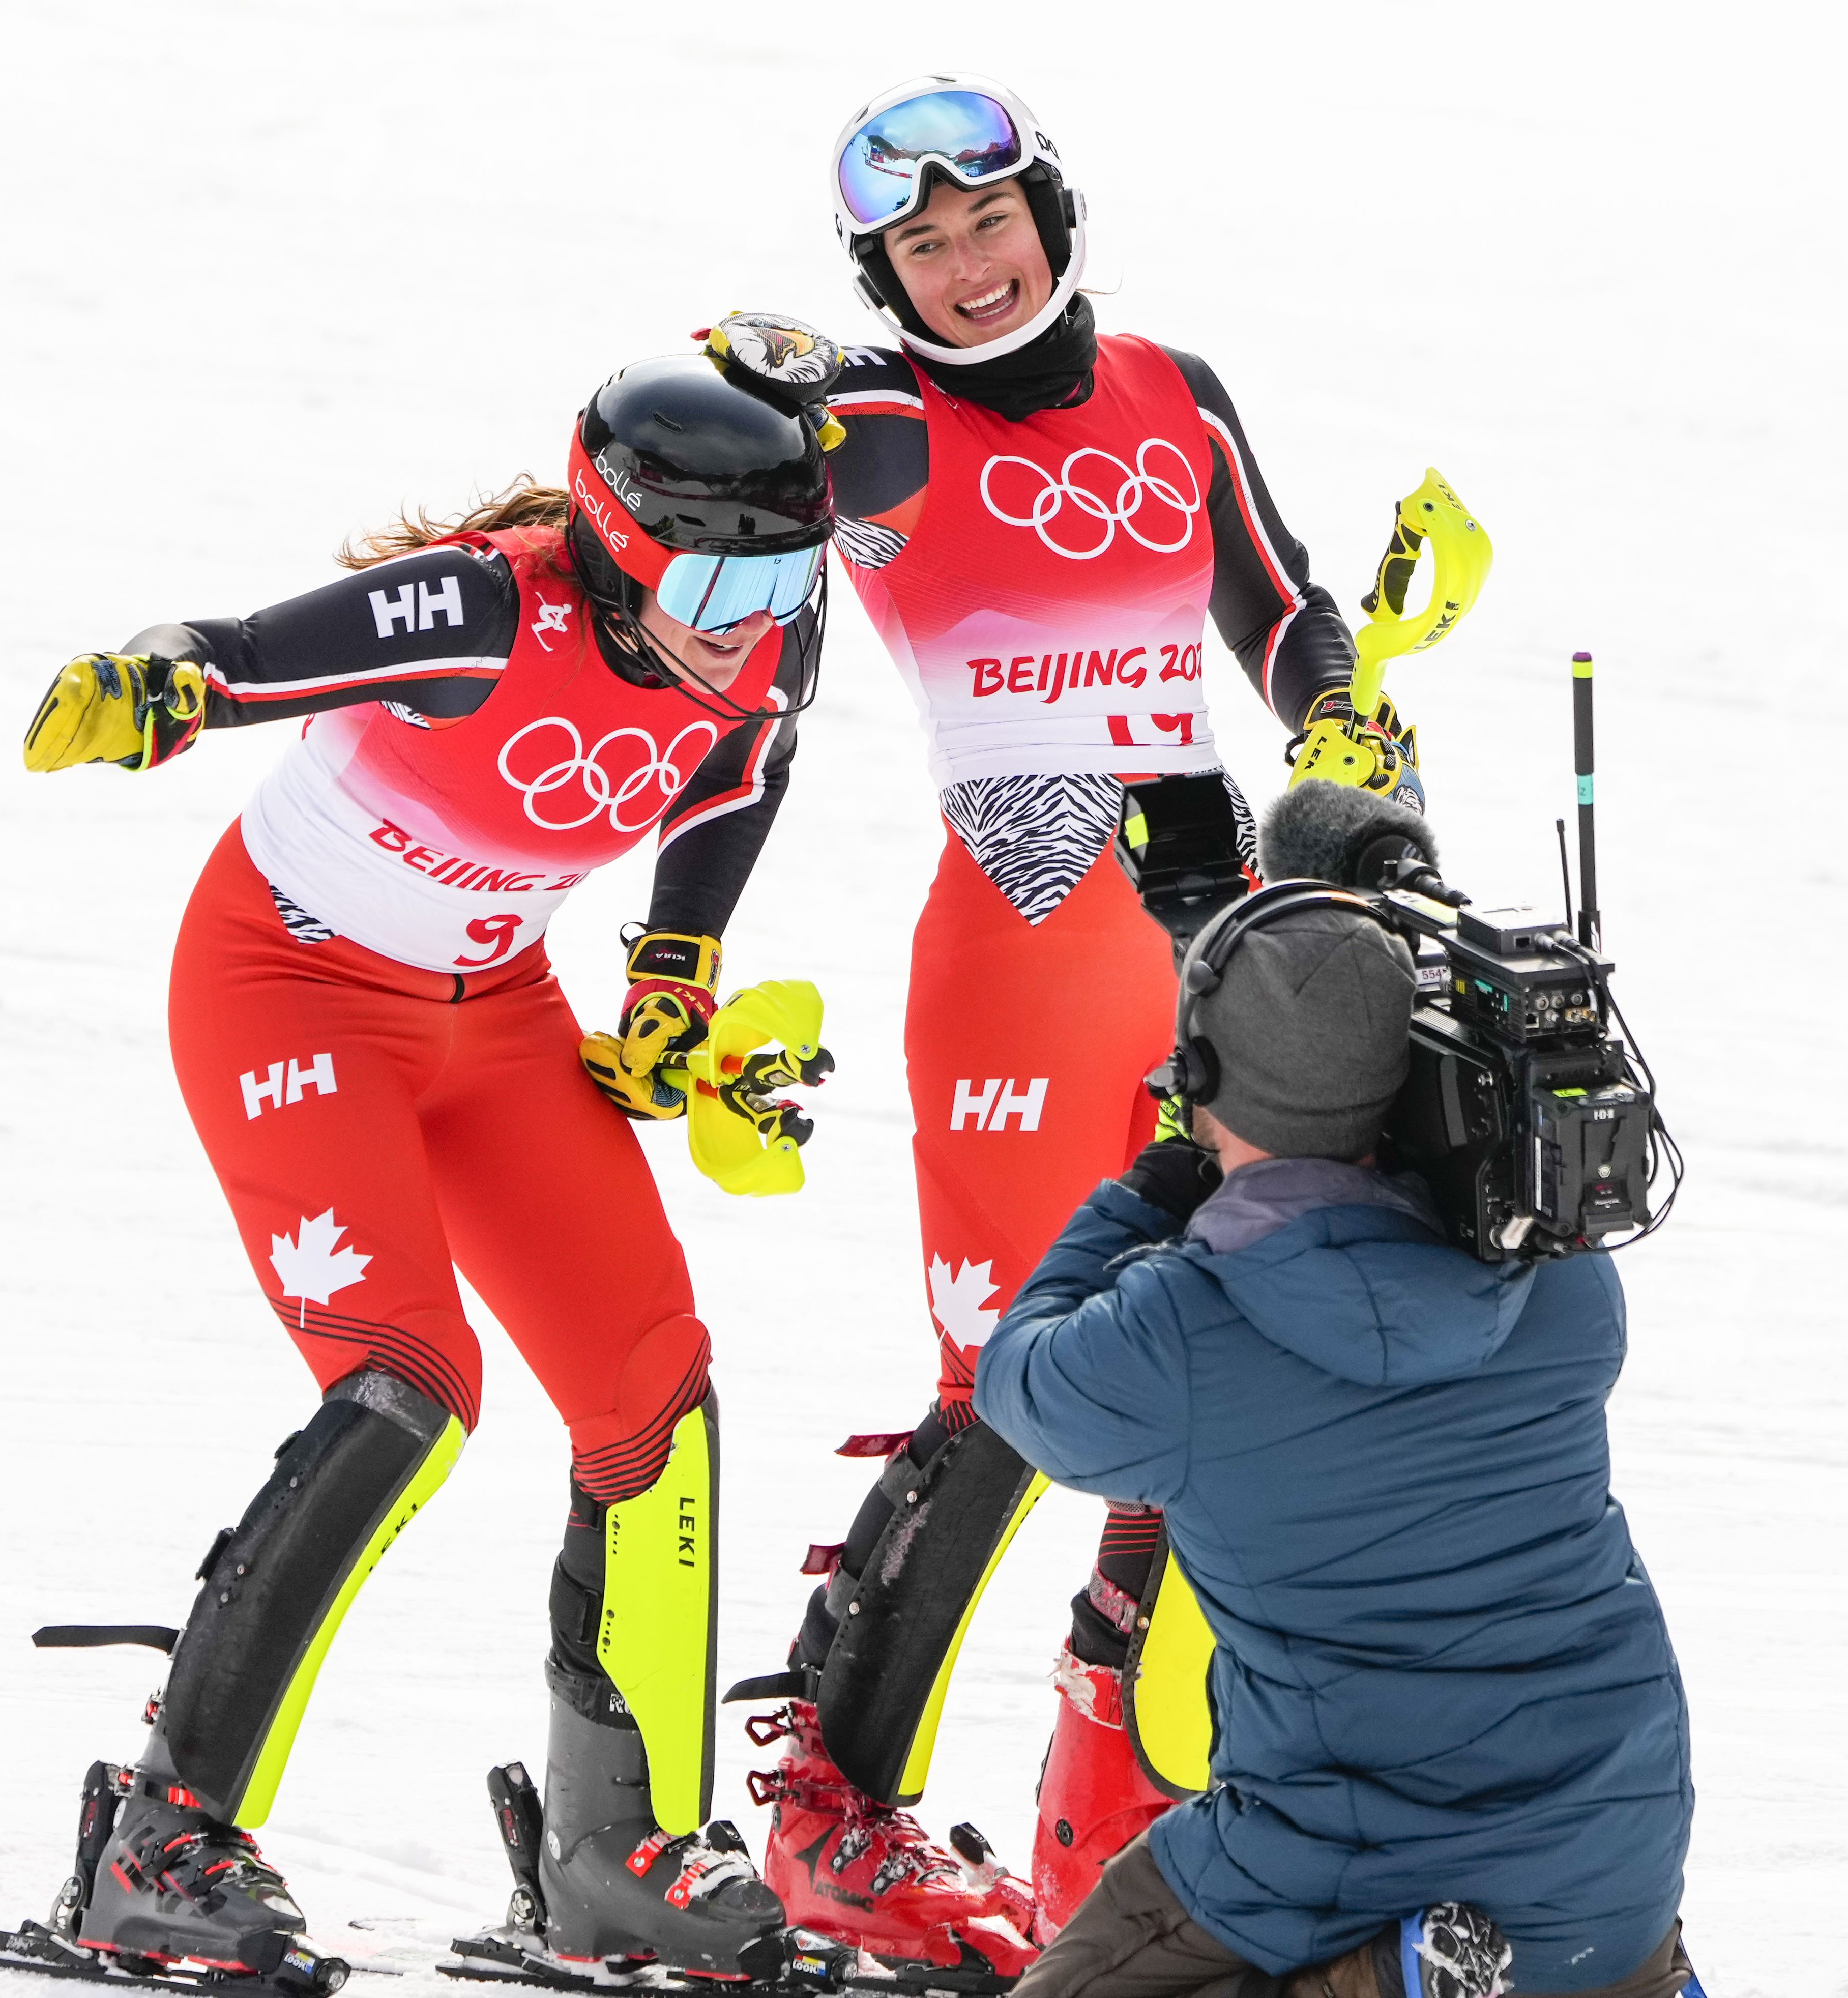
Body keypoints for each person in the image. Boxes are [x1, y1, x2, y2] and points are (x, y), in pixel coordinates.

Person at [10, 342, 844, 1991]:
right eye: (711, 577)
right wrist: (148, 689)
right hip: (290, 984)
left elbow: (738, 774)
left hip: (495, 1011)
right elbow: (238, 654)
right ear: (615, 539)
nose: (748, 617)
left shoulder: (762, 639)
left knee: (651, 1392)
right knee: (407, 1383)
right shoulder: (478, 609)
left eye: (784, 577)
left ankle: (616, 1856)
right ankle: (158, 1840)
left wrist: (673, 976)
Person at [724, 75, 1426, 1976]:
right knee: (1008, 1382)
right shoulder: (886, 423)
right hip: (1024, 926)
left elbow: (1276, 606)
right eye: (920, 245)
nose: (967, 266)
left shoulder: (1170, 392)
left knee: (1223, 1347)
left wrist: (1342, 714)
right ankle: (829, 1805)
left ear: (1051, 214)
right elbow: (728, 482)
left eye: (989, 221)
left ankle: (1111, 1793)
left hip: (1207, 914)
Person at [971, 883, 1704, 1998]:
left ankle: (1380, 1980)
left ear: (1201, 1077)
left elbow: (1016, 1379)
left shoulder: (1178, 1336)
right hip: (1616, 1858)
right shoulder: (1561, 1275)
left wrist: (1140, 1198)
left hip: (1344, 1856)